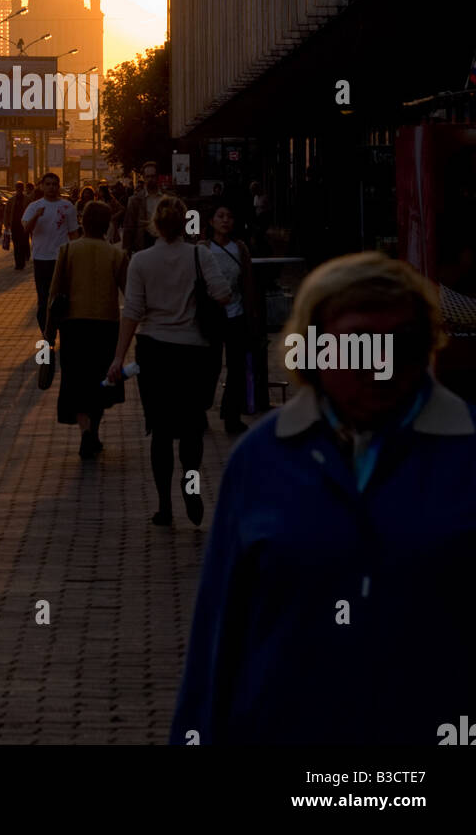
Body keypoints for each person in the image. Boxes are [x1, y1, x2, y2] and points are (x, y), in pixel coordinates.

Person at [170, 252, 476, 746]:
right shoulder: (263, 459)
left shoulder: (466, 450)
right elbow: (218, 637)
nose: (378, 363)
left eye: (399, 343)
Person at [107, 196, 230, 527]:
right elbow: (223, 294)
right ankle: (191, 486)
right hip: (194, 352)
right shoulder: (199, 254)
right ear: (184, 223)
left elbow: (131, 311)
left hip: (154, 352)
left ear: (155, 225)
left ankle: (164, 506)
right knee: (191, 430)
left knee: (160, 431)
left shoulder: (142, 262)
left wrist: (118, 357)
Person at [45, 200, 129, 459]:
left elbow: (54, 292)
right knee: (100, 380)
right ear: (107, 225)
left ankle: (85, 432)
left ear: (83, 221)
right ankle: (94, 431)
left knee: (76, 380)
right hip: (106, 325)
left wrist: (48, 332)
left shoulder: (68, 250)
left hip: (74, 325)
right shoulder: (117, 255)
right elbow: (129, 294)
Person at [200, 206, 259, 435]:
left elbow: (248, 284)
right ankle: (200, 408)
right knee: (209, 366)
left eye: (230, 216)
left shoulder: (240, 248)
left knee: (236, 367)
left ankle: (232, 415)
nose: (225, 221)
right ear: (211, 221)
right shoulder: (203, 249)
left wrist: (252, 314)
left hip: (236, 314)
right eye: (220, 216)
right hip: (211, 317)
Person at [23, 172, 80, 334]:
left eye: (54, 184)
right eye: (47, 184)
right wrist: (36, 216)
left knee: (62, 299)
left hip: (62, 259)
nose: (51, 188)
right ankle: (47, 334)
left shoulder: (67, 206)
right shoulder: (34, 207)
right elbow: (26, 229)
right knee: (43, 301)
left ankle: (63, 331)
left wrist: (75, 256)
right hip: (41, 259)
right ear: (41, 186)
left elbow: (73, 233)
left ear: (58, 186)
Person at [122, 161, 163, 255]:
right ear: (144, 178)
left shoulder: (167, 198)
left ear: (157, 177)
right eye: (148, 177)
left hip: (164, 242)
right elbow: (129, 227)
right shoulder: (135, 200)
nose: (150, 179)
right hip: (144, 243)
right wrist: (126, 251)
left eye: (153, 176)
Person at [5, 182, 30, 270]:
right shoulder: (11, 200)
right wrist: (6, 225)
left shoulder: (27, 200)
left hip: (24, 225)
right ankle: (18, 263)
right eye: (18, 188)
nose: (19, 189)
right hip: (14, 226)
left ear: (22, 189)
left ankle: (21, 262)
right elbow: (7, 213)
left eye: (20, 188)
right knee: (16, 245)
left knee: (22, 244)